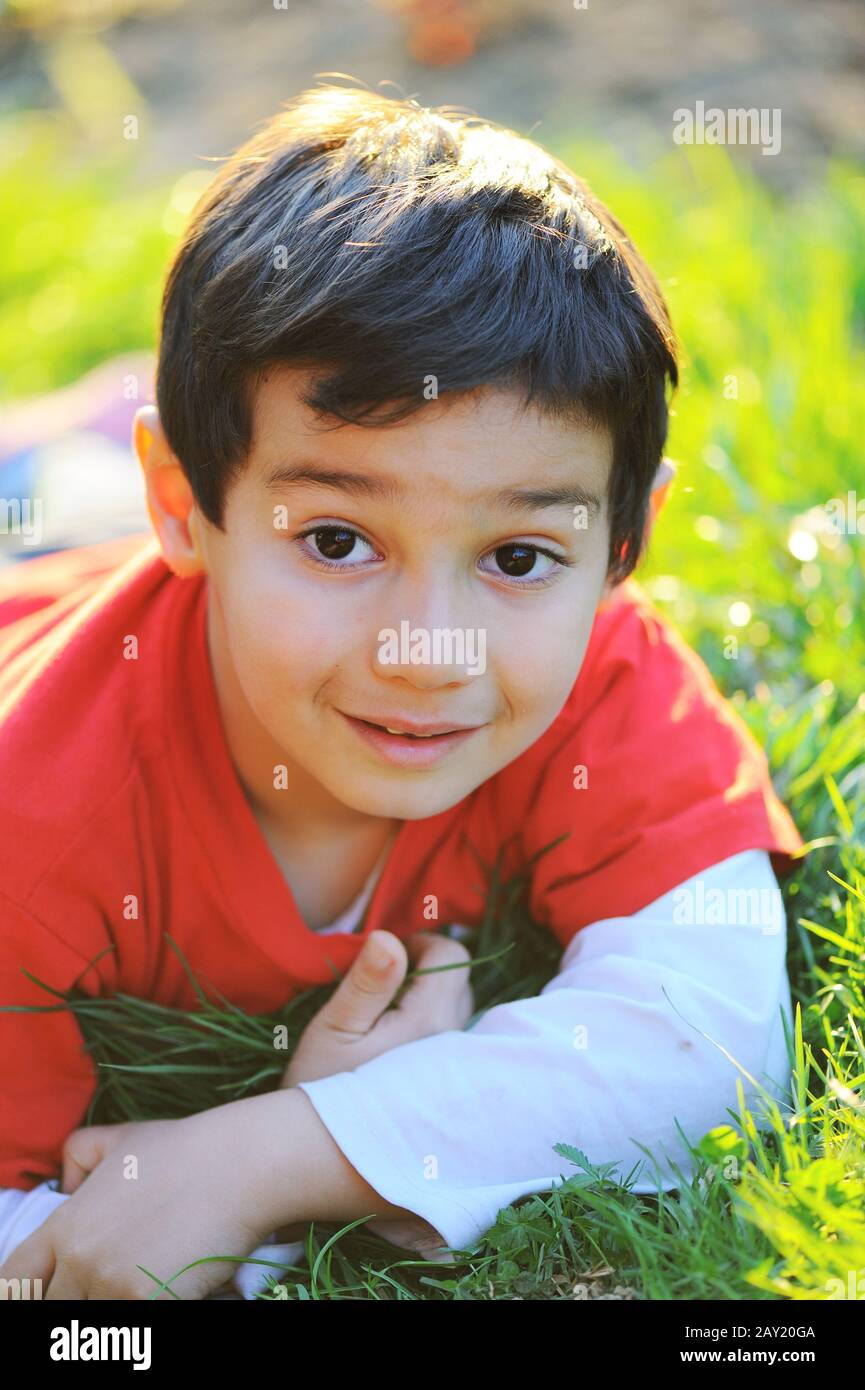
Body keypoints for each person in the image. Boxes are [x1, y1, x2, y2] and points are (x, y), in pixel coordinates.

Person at [0, 84, 802, 1300]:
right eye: (335, 539)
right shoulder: (35, 801)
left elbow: (707, 1029)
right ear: (188, 505)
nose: (432, 651)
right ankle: (74, 439)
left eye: (519, 557)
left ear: (624, 541)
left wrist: (285, 1150)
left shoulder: (603, 673)